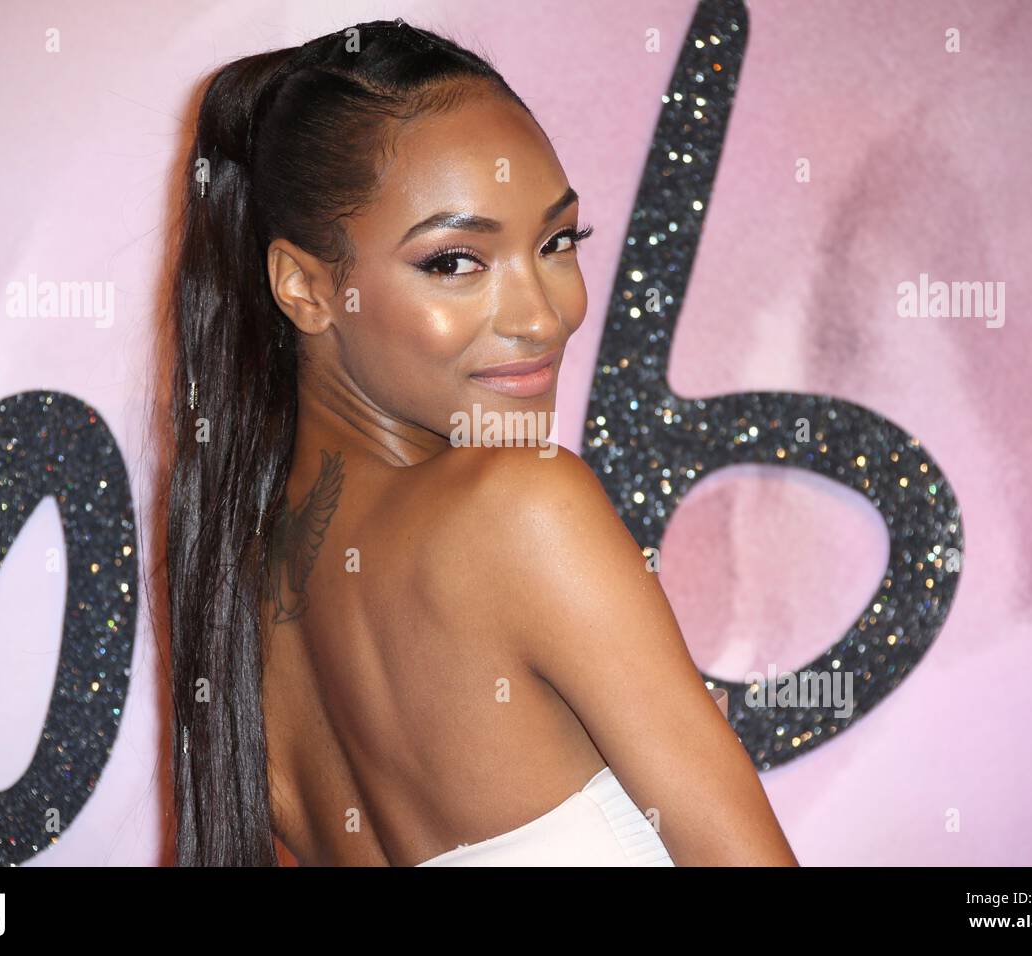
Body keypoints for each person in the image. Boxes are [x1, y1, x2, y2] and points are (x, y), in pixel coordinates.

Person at [166, 17, 798, 867]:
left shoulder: (229, 592)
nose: (544, 315)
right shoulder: (524, 507)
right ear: (305, 288)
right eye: (455, 261)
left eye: (556, 243)